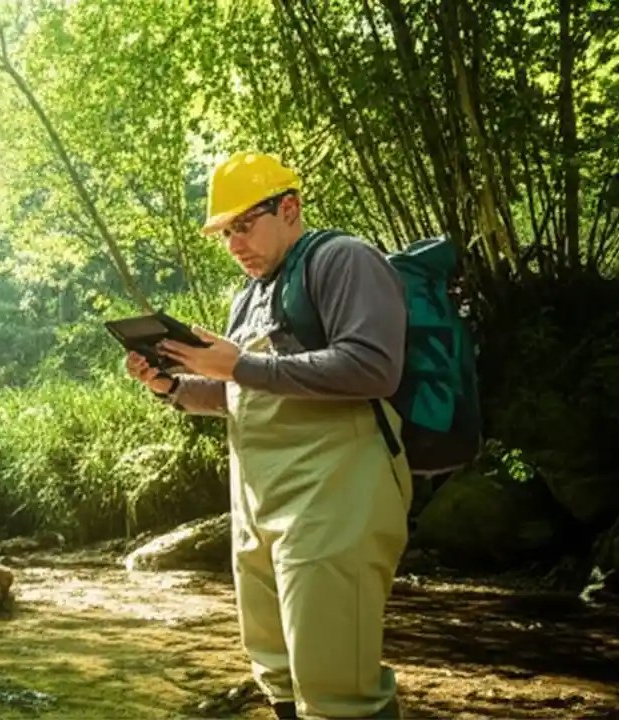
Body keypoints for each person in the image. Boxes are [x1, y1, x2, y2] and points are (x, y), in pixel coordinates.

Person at [125, 151, 412, 720]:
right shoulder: (247, 299)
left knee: (337, 682)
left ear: (289, 208)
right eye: (226, 232)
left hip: (337, 493)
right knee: (276, 667)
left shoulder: (344, 260)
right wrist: (173, 386)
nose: (235, 245)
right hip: (258, 502)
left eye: (245, 225)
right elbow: (242, 392)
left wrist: (236, 366)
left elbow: (374, 368)